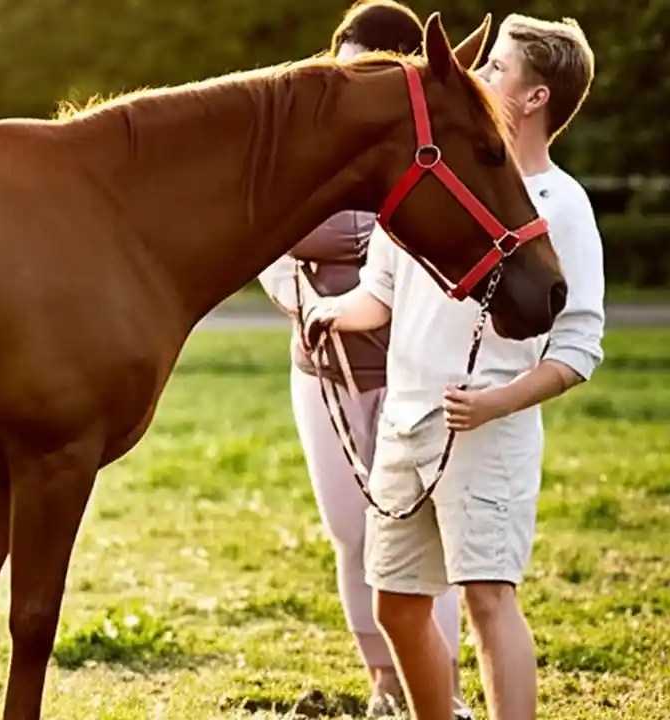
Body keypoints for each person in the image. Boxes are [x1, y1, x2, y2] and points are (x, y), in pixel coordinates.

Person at [303, 13, 606, 720]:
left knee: (487, 599)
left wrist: (497, 403)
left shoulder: (563, 206)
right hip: (407, 429)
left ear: (536, 99)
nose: (480, 73)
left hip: (486, 435)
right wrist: (328, 310)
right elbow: (379, 294)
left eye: (497, 68)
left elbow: (579, 348)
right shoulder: (433, 179)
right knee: (398, 606)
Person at [256, 1, 468, 716]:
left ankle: (444, 686)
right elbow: (270, 252)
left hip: (416, 369)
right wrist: (300, 305)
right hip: (324, 368)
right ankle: (383, 683)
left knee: (424, 534)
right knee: (352, 532)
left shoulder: (423, 151)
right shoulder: (300, 150)